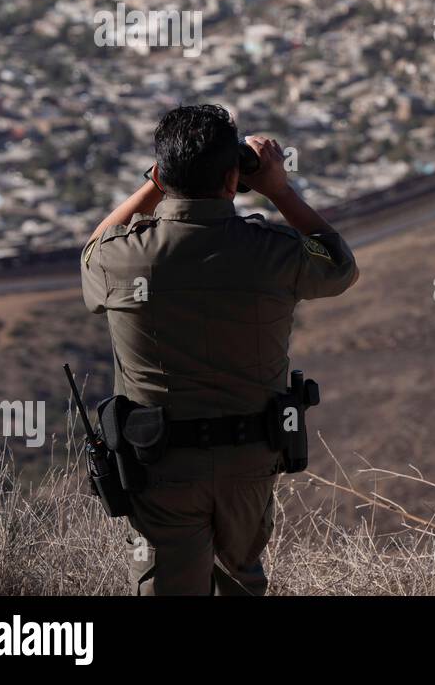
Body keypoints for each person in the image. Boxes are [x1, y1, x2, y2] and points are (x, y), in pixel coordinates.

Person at [80, 103, 359, 594]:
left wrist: (156, 182)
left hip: (161, 464)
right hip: (249, 460)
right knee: (240, 583)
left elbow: (93, 247)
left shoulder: (120, 260)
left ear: (164, 173)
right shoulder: (274, 251)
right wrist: (278, 189)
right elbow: (339, 265)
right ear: (233, 181)